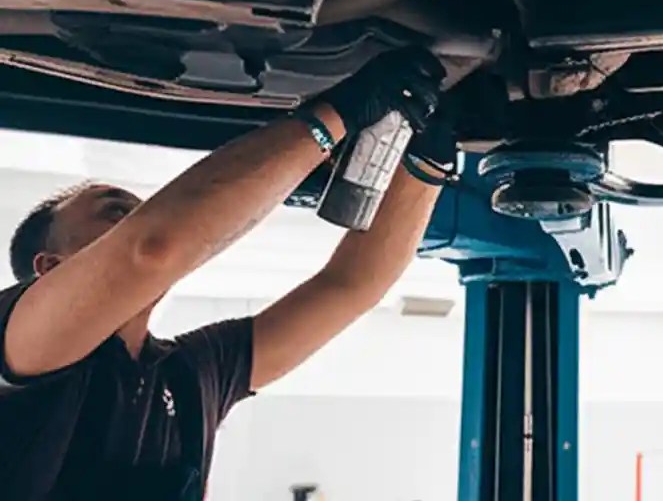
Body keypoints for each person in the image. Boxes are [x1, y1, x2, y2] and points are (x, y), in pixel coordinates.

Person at [0, 49, 457, 500]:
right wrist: (341, 114)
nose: (142, 220)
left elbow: (351, 283)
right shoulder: (19, 345)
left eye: (141, 213)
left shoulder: (185, 372)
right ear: (49, 269)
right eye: (117, 213)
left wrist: (426, 156)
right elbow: (152, 249)